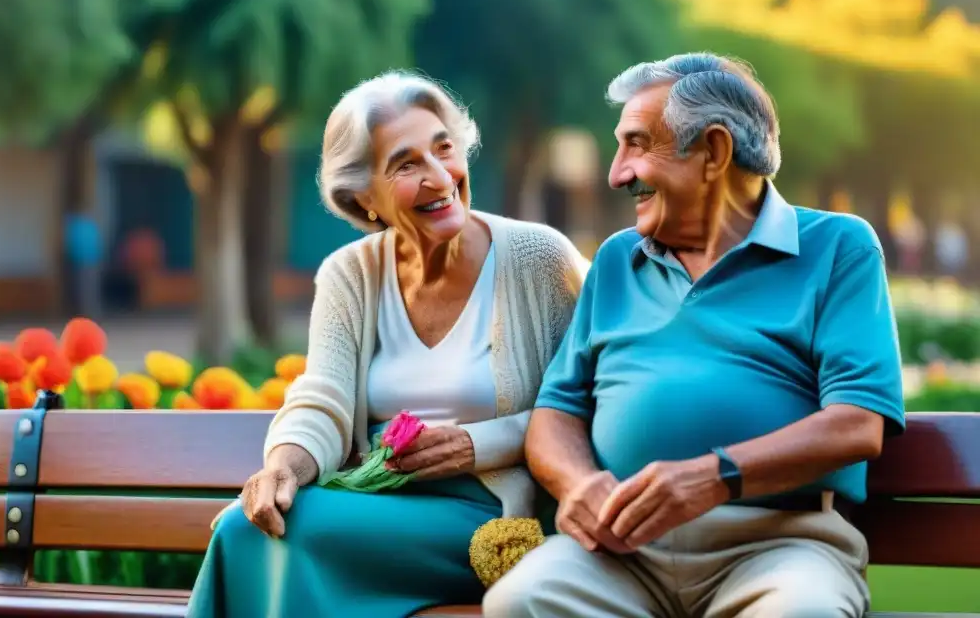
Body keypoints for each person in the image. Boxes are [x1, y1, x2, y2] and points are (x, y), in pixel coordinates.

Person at [484, 53, 906, 618]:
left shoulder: (838, 247)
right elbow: (555, 413)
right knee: (522, 600)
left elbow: (858, 423)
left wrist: (711, 476)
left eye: (636, 144)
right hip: (621, 554)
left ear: (713, 151)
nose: (617, 172)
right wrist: (579, 484)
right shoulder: (616, 260)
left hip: (780, 545)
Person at [188, 72, 588, 618]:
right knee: (250, 525)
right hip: (379, 501)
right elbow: (322, 397)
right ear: (363, 197)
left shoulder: (539, 258)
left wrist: (478, 444)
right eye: (407, 164)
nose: (438, 176)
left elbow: (586, 400)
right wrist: (284, 464)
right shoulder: (349, 275)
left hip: (493, 517)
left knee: (278, 535)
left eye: (444, 149)